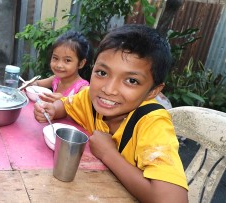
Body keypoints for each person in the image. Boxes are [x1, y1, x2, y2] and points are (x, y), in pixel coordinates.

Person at [34, 24, 188, 202]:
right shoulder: (89, 99)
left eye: (131, 80)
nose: (108, 89)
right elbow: (67, 105)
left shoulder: (152, 123)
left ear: (153, 91)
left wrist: (108, 153)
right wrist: (52, 110)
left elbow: (172, 200)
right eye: (102, 72)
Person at [32, 31, 92, 103]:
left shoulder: (82, 89)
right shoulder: (56, 79)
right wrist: (30, 85)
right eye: (55, 58)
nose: (59, 65)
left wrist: (64, 101)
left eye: (67, 60)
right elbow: (38, 84)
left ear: (81, 63)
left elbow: (83, 112)